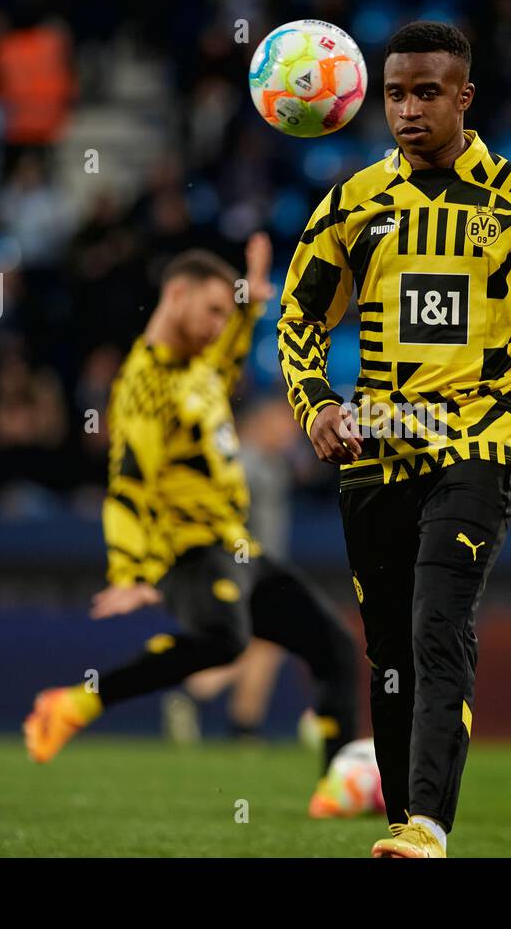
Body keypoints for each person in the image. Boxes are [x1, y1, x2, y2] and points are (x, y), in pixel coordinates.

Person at [277, 22, 511, 856]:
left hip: (478, 447)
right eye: (394, 93)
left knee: (435, 626)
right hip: (375, 450)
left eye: (427, 93)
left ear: (465, 97)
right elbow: (299, 316)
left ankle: (428, 825)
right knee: (387, 651)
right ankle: (399, 828)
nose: (408, 110)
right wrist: (314, 404)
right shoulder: (352, 204)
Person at [23, 234, 359, 816]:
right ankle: (76, 703)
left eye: (222, 317)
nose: (216, 326)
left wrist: (249, 304)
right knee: (226, 639)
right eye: (211, 311)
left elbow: (226, 356)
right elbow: (128, 484)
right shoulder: (143, 388)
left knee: (331, 644)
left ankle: (337, 786)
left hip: (238, 545)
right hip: (188, 551)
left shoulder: (201, 364)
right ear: (175, 294)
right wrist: (128, 570)